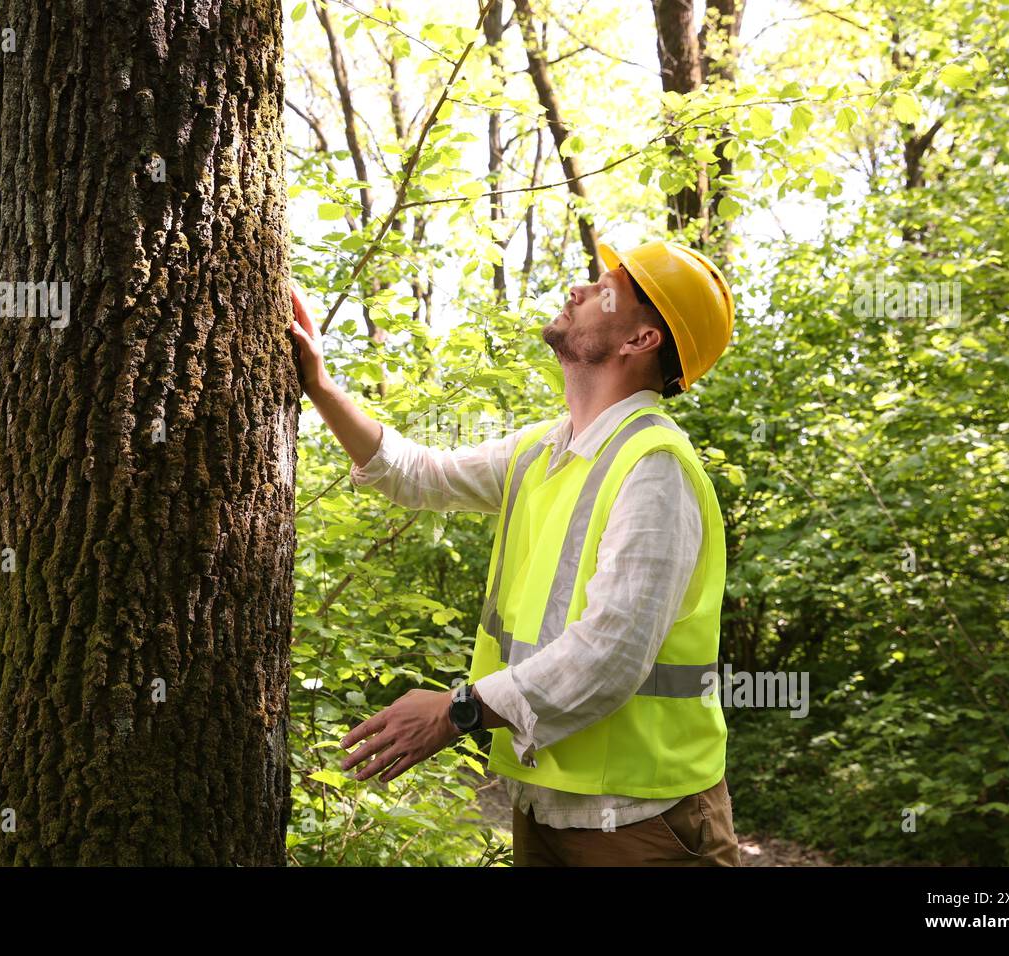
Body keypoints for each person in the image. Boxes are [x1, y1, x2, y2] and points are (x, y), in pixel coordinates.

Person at [288, 240, 740, 866]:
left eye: (606, 289)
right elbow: (416, 474)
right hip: (542, 807)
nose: (579, 290)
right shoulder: (543, 449)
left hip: (645, 824)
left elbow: (609, 654)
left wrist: (454, 712)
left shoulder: (653, 468)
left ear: (641, 340)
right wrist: (319, 385)